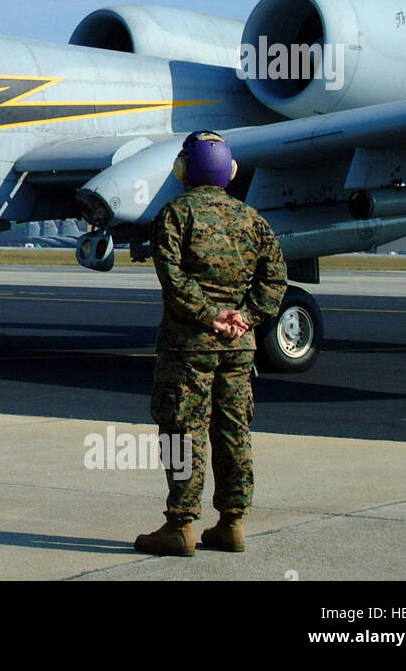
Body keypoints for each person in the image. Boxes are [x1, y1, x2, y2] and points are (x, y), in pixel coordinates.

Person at [134, 131, 286, 555]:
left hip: (188, 346)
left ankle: (180, 526)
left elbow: (173, 279)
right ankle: (233, 523)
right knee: (233, 429)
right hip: (239, 347)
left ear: (183, 169)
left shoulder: (174, 215)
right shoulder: (252, 219)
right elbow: (274, 280)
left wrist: (208, 315)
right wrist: (244, 317)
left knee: (182, 431)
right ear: (230, 171)